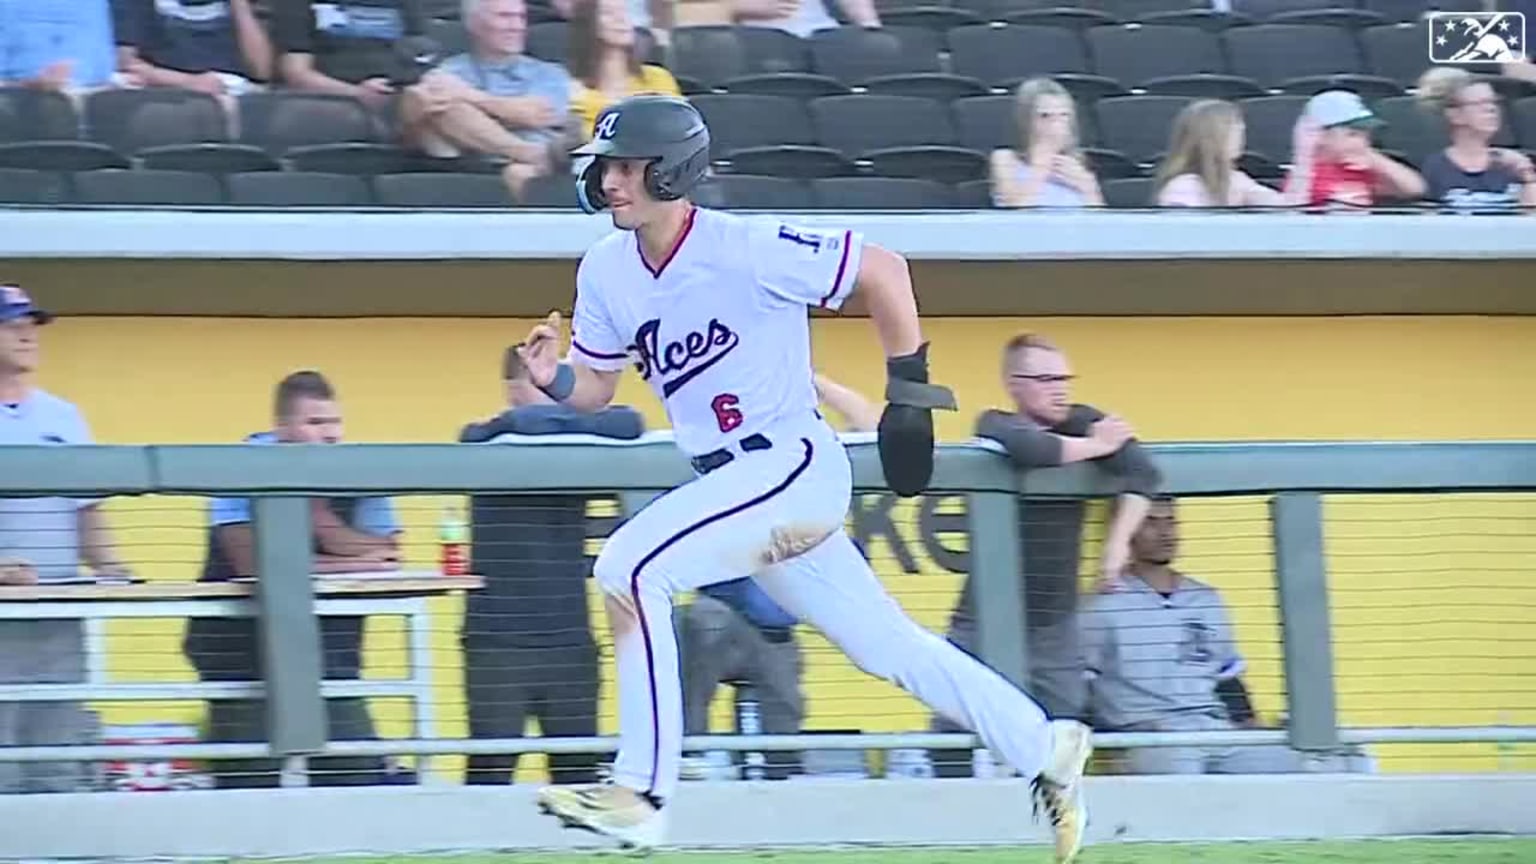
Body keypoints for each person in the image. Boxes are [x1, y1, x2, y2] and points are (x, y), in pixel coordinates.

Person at [520, 94, 1091, 861]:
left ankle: (642, 793)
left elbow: (883, 269)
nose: (611, 181)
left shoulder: (746, 247)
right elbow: (596, 387)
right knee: (888, 647)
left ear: (673, 169)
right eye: (606, 167)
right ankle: (1045, 745)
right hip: (738, 486)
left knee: (630, 568)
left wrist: (909, 390)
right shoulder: (605, 269)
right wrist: (554, 380)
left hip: (786, 465)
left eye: (628, 166)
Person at [183, 370, 407, 789]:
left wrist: (321, 522)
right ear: (282, 429)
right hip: (240, 651)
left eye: (335, 422)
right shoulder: (238, 467)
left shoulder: (360, 469)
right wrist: (350, 558)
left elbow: (391, 551)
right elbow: (253, 564)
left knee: (354, 771)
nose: (331, 434)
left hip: (330, 652)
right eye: (315, 422)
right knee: (248, 780)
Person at [456, 345, 644, 786]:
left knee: (577, 775)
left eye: (562, 385)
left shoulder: (574, 448)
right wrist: (575, 419)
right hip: (498, 645)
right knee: (489, 776)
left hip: (570, 644)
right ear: (513, 390)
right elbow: (513, 427)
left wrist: (569, 418)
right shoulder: (488, 439)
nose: (560, 397)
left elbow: (630, 424)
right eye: (546, 385)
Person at [0, 285, 131, 794]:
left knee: (58, 753)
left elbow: (86, 509)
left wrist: (112, 569)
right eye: (13, 325)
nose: (27, 335)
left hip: (58, 614)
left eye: (32, 325)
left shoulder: (63, 415)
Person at [1414, 67, 1536, 213]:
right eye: (1481, 103)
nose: (1491, 109)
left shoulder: (1513, 164)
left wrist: (1527, 176)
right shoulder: (1435, 167)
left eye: (1493, 102)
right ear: (1454, 115)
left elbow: (1531, 216)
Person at [1283, 90, 1425, 210]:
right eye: (1352, 134)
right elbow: (1296, 204)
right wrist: (1305, 155)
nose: (1362, 142)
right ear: (1321, 136)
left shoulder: (1365, 169)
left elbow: (1413, 189)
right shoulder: (1307, 172)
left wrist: (1374, 158)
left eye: (1366, 135)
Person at [989, 78, 1103, 209]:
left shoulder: (1076, 161)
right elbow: (1015, 209)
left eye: (1063, 115)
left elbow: (1098, 215)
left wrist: (1088, 186)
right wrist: (1040, 165)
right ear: (1026, 120)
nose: (1055, 123)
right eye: (1045, 116)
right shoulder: (1005, 159)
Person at [1153, 99, 1283, 209]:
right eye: (1231, 127)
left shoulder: (1236, 179)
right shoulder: (1182, 187)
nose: (1241, 134)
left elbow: (1280, 206)